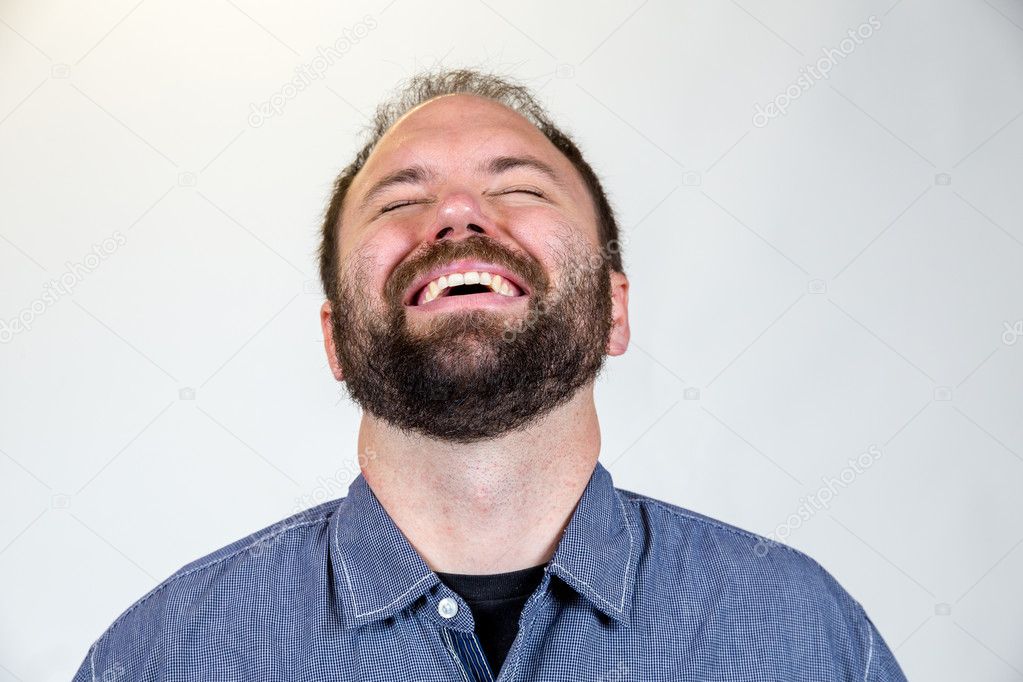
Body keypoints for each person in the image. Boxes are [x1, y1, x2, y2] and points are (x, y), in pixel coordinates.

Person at [72, 68, 906, 681]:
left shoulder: (802, 634)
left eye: (518, 188)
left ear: (615, 311)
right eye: (400, 200)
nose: (458, 214)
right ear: (334, 338)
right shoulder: (167, 653)